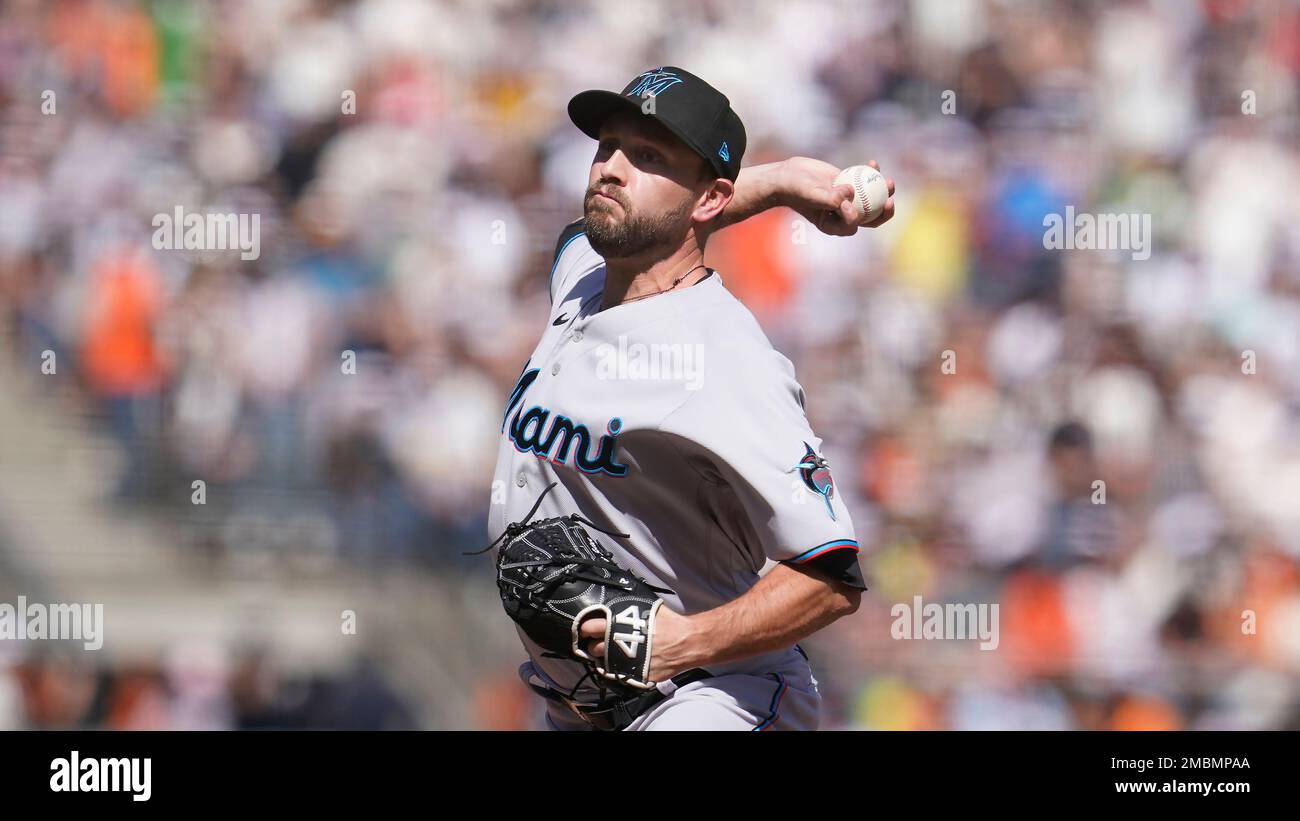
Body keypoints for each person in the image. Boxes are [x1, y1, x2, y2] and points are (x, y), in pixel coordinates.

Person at [487, 66, 895, 730]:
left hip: (708, 697)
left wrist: (684, 640)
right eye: (608, 147)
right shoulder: (585, 281)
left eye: (647, 155)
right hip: (589, 705)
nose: (611, 169)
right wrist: (783, 180)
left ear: (708, 198)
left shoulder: (723, 359)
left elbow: (830, 577)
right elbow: (651, 218)